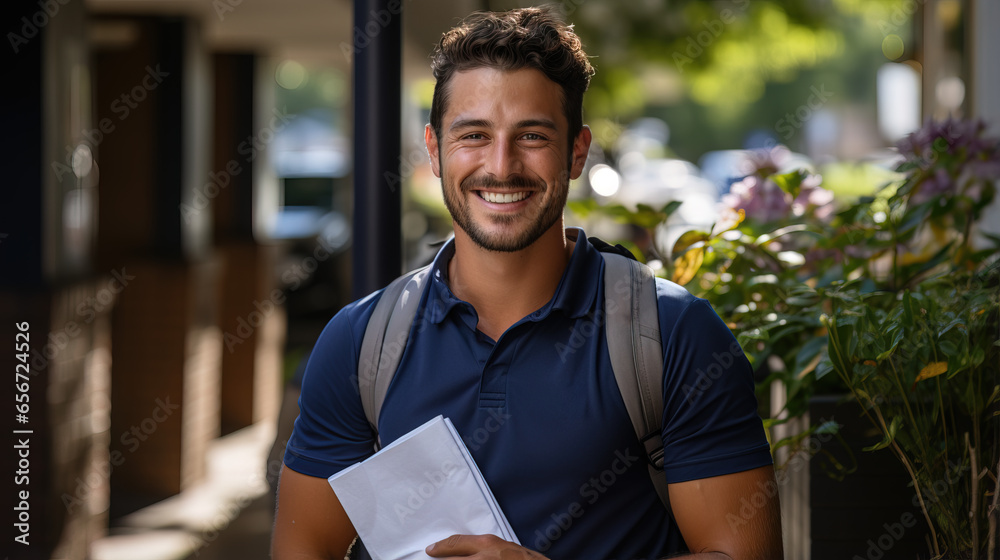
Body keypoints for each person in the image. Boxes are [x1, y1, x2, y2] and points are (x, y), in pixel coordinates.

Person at [272, 7, 783, 560]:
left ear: (577, 152)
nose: (501, 165)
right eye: (473, 134)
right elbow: (304, 549)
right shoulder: (361, 344)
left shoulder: (674, 336)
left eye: (532, 135)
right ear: (434, 149)